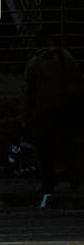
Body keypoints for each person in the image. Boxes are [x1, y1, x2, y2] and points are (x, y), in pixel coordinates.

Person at [23, 35, 84, 193]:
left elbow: (30, 93)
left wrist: (28, 114)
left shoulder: (33, 64)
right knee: (68, 145)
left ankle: (48, 183)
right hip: (65, 108)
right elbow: (78, 77)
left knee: (45, 150)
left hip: (43, 111)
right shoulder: (65, 57)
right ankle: (75, 177)